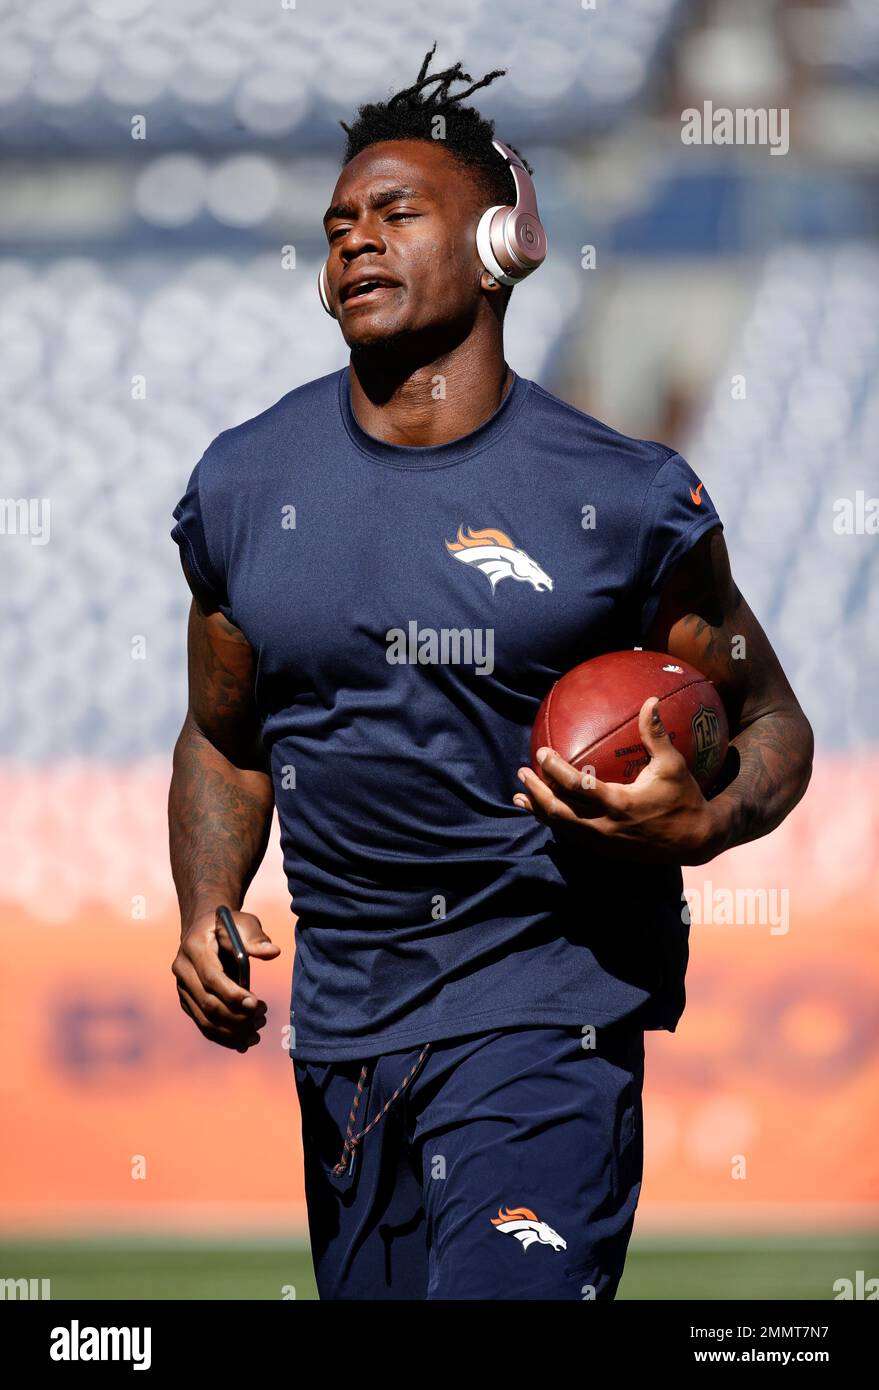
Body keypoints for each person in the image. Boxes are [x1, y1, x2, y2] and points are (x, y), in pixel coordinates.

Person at [168, 44, 813, 1300]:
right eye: (339, 223)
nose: (356, 240)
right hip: (346, 1033)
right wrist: (204, 899)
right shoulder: (243, 487)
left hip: (548, 1015)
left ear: (506, 242)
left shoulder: (626, 499)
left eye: (399, 213)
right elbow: (223, 735)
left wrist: (708, 820)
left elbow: (772, 719)